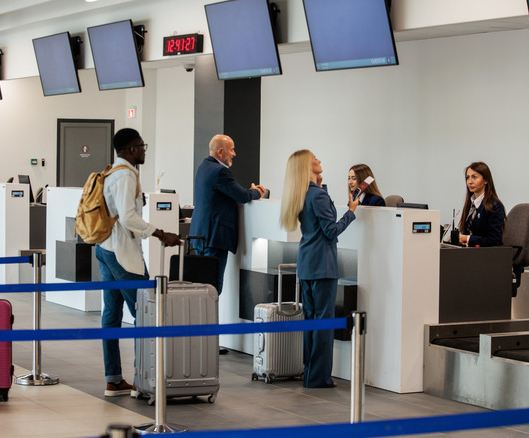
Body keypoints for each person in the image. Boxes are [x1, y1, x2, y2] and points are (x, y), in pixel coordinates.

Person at [96, 128, 180, 397]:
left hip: (106, 249)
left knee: (111, 316)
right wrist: (159, 233)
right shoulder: (126, 175)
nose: (144, 150)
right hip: (123, 255)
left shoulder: (111, 172)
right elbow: (128, 217)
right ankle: (143, 382)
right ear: (131, 149)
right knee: (144, 315)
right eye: (142, 145)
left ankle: (114, 380)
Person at [280, 149, 358, 388]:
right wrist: (351, 213)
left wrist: (322, 187)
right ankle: (319, 377)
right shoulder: (317, 196)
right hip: (323, 265)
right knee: (324, 323)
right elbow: (331, 231)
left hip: (306, 264)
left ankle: (310, 373)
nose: (320, 160)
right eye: (315, 159)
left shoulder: (303, 193)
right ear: (306, 166)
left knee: (311, 321)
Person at [189, 134, 265, 295]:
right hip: (214, 237)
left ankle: (204, 319)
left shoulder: (204, 167)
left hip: (201, 235)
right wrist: (256, 192)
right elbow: (242, 196)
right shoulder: (220, 172)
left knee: (202, 287)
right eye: (231, 150)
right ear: (221, 151)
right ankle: (209, 320)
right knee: (212, 289)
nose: (234, 154)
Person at [458, 161, 505, 247]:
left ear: (486, 180)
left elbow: (494, 241)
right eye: (467, 178)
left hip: (486, 256)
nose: (470, 182)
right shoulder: (470, 204)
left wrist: (467, 239)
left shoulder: (494, 205)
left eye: (474, 177)